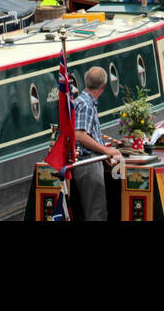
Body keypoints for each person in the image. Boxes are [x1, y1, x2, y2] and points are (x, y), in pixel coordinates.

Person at [72, 66, 122, 221]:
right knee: (96, 212)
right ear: (103, 87)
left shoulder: (79, 101)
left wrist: (102, 152)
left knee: (87, 212)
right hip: (88, 164)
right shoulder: (87, 105)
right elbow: (80, 135)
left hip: (85, 162)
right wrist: (107, 151)